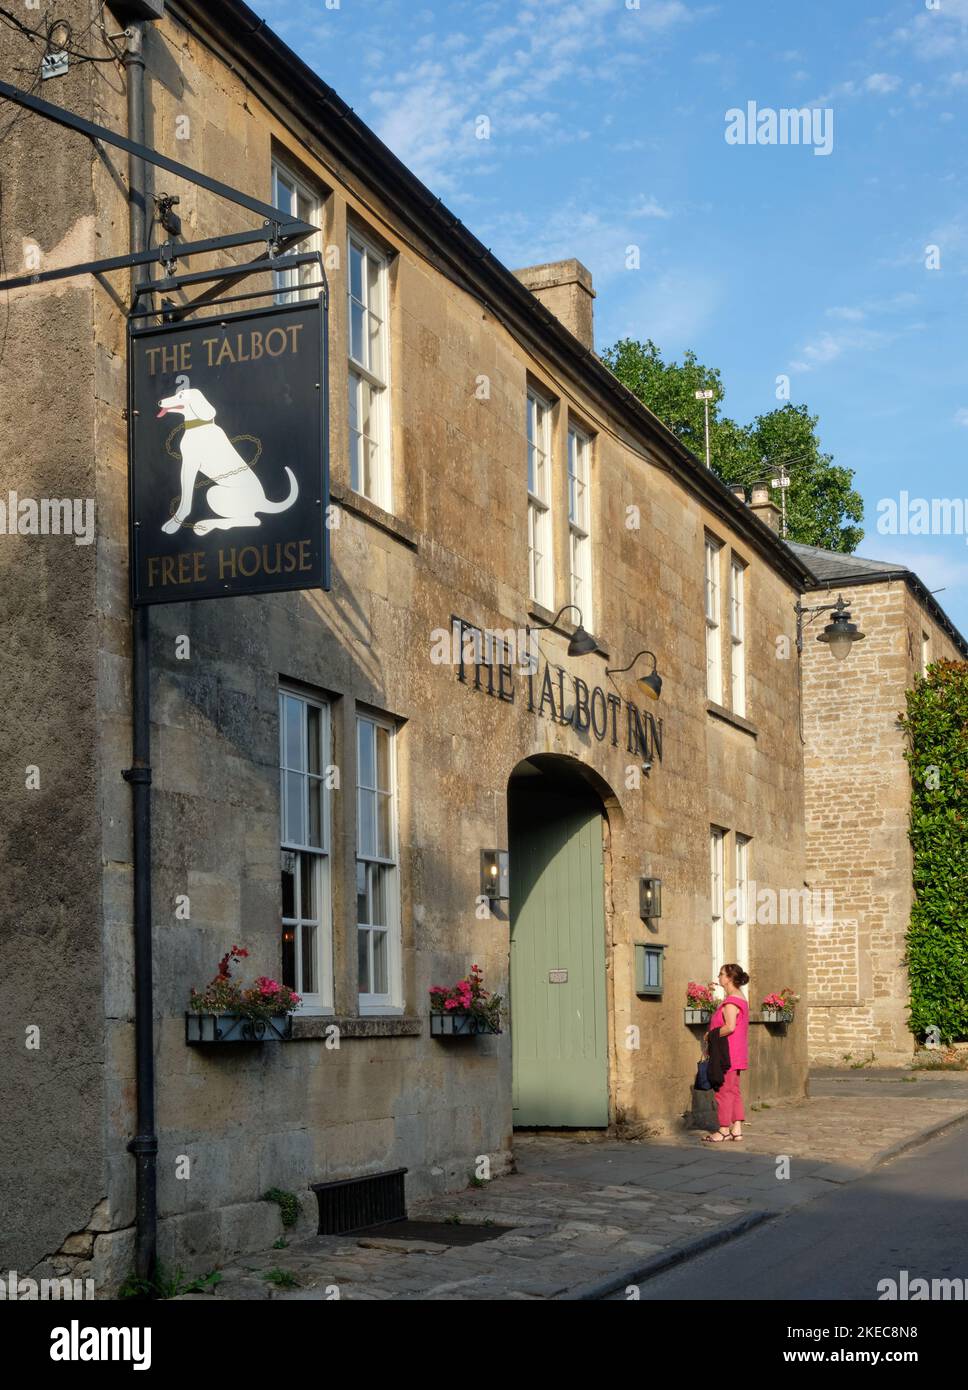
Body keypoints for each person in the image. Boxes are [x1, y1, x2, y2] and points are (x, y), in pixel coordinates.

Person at [702, 963, 750, 1143]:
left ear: (730, 978)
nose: (719, 977)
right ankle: (736, 1129)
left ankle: (723, 1130)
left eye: (721, 974)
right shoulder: (741, 998)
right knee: (734, 1090)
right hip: (736, 1052)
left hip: (726, 1053)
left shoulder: (731, 1001)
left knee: (723, 1090)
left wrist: (710, 1035)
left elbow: (729, 1027)